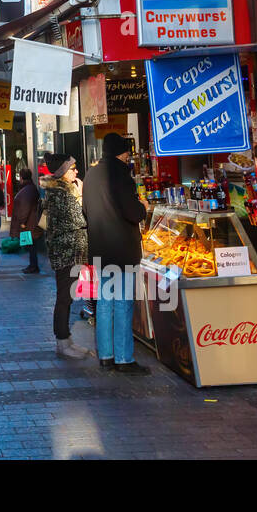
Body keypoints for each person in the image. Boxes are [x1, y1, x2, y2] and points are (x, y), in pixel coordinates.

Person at [82, 133, 150, 373]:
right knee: (122, 303)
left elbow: (86, 211)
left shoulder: (90, 175)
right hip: (121, 251)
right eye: (127, 153)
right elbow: (133, 213)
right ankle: (124, 358)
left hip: (100, 250)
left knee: (104, 302)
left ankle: (106, 356)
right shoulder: (120, 175)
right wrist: (143, 208)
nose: (128, 157)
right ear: (121, 153)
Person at [41, 155, 90, 359]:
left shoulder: (58, 192)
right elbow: (79, 220)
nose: (76, 172)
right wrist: (80, 195)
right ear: (63, 172)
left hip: (68, 252)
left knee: (66, 297)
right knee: (64, 298)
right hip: (68, 253)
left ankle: (66, 339)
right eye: (72, 169)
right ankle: (62, 341)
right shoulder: (63, 194)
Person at [12, 166, 44, 274]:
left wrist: (22, 222)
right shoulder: (30, 188)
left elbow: (25, 208)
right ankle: (32, 265)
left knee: (31, 246)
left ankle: (33, 266)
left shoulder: (27, 190)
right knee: (30, 246)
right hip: (30, 224)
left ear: (21, 177)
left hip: (28, 225)